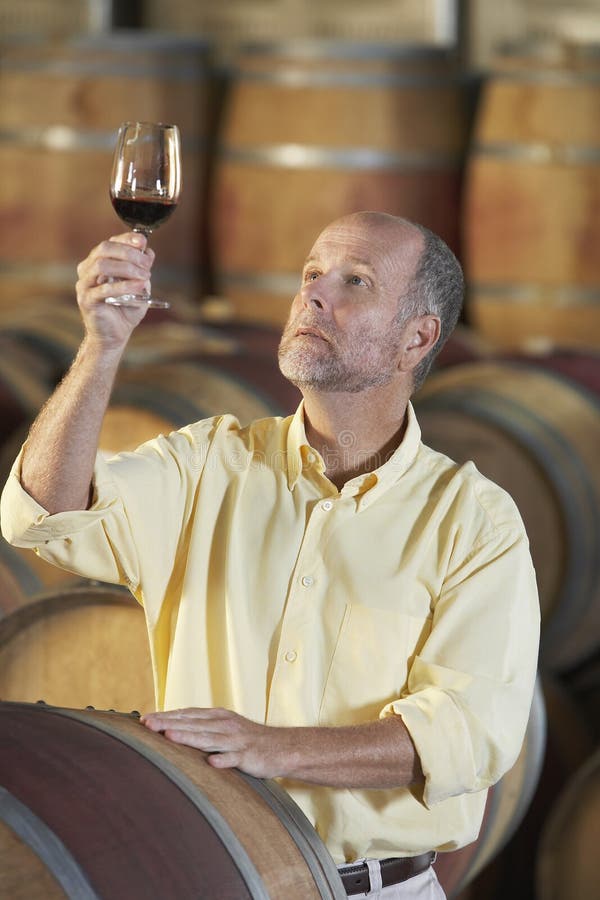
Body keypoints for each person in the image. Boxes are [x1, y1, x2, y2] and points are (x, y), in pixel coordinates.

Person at [1, 211, 540, 899]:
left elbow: (467, 735)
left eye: (355, 281)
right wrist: (101, 349)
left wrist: (272, 747)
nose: (315, 294)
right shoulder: (208, 464)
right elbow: (42, 519)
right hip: (215, 878)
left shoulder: (473, 520)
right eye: (311, 274)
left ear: (417, 338)